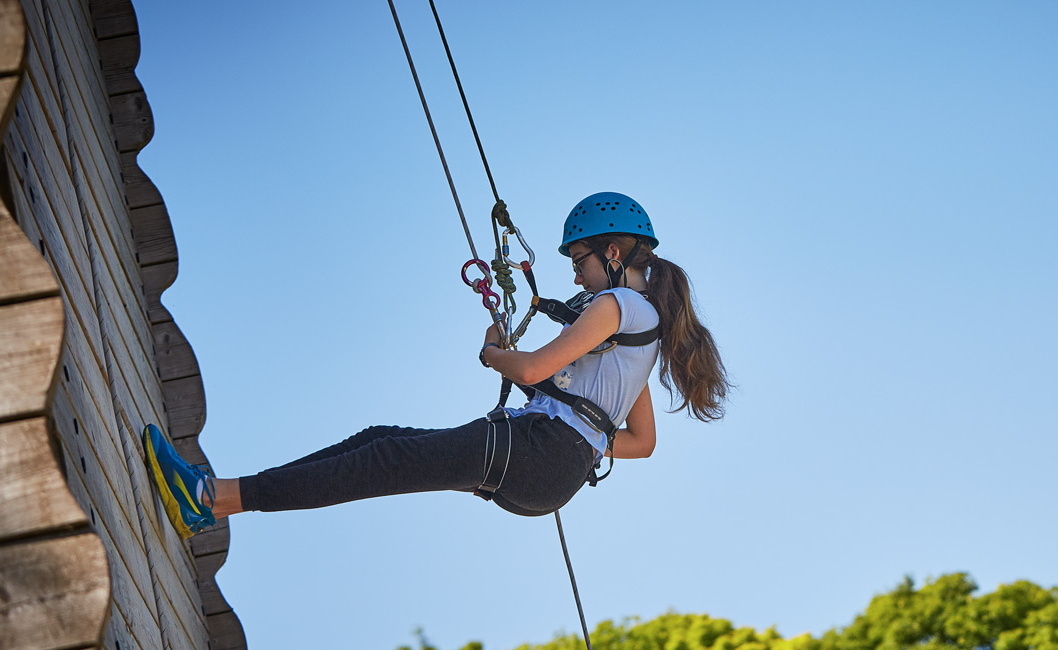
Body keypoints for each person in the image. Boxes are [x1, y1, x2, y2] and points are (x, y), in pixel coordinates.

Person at [142, 192, 727, 538]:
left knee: (385, 459)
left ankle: (210, 499)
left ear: (613, 253)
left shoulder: (615, 304)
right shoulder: (643, 333)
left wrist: (492, 353)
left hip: (541, 451)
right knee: (381, 442)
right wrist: (582, 442)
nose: (576, 274)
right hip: (553, 474)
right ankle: (218, 497)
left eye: (580, 260)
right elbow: (641, 442)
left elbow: (527, 371)